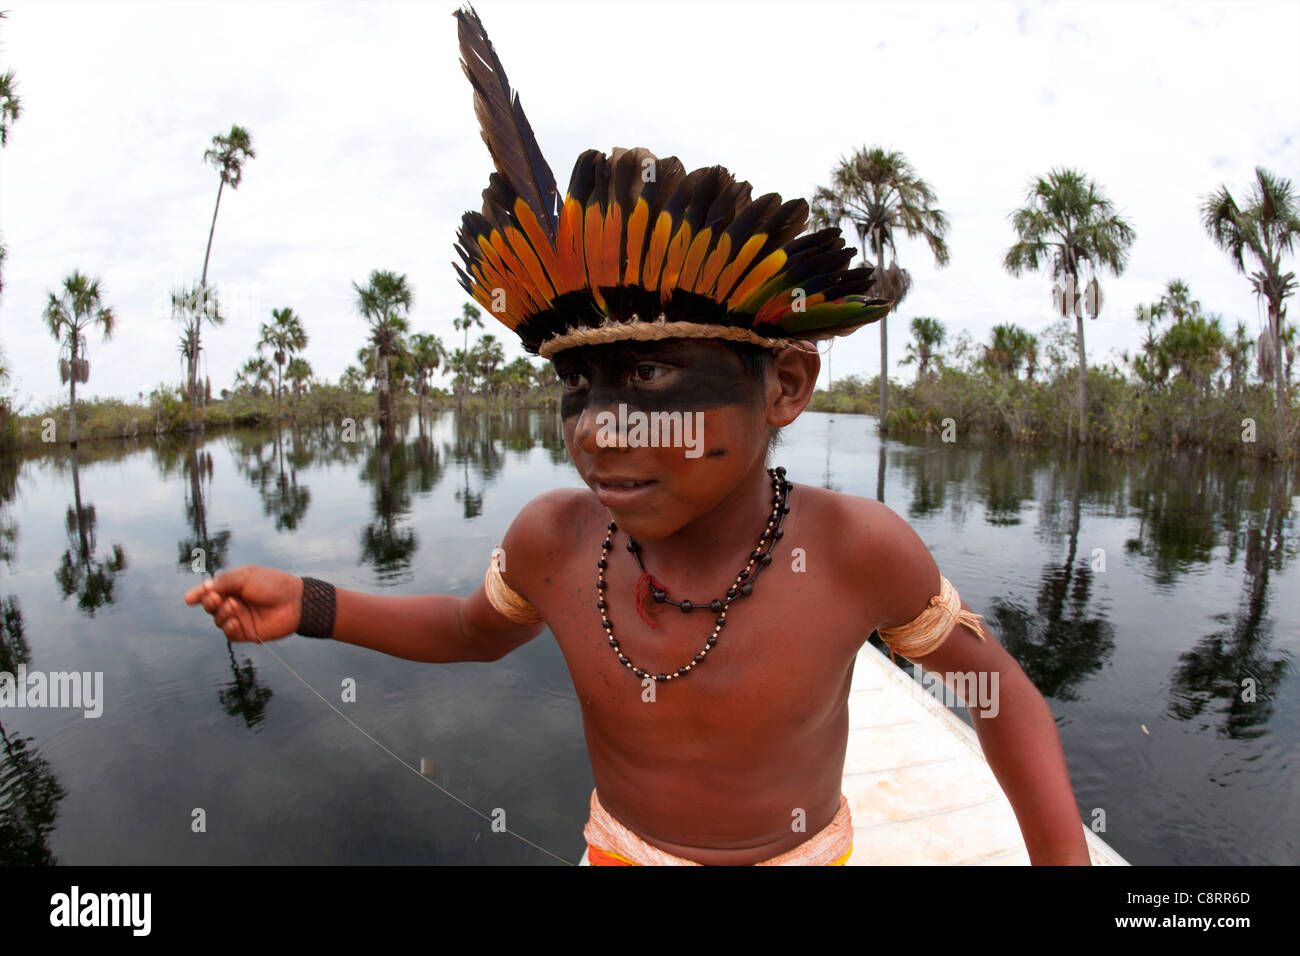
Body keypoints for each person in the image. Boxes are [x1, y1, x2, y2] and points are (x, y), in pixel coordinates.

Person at [185, 5, 1092, 866]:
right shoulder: (554, 541)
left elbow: (999, 696)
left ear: (783, 386)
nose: (601, 429)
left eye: (654, 375)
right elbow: (470, 630)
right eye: (577, 383)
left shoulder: (856, 553)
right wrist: (307, 606)